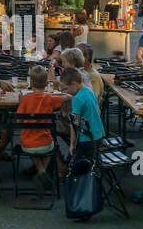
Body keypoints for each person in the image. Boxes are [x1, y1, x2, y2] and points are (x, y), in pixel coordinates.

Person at [16, 63, 69, 194]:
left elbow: (18, 120)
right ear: (46, 83)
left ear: (31, 82)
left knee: (32, 149)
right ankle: (43, 169)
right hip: (46, 143)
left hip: (28, 144)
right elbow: (68, 98)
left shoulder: (26, 99)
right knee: (52, 148)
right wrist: (65, 95)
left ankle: (40, 169)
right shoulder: (50, 99)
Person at [60, 65, 103, 161]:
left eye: (66, 89)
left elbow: (74, 124)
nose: (67, 92)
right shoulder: (89, 91)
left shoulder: (77, 99)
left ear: (74, 84)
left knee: (76, 164)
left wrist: (72, 144)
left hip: (87, 138)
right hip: (98, 135)